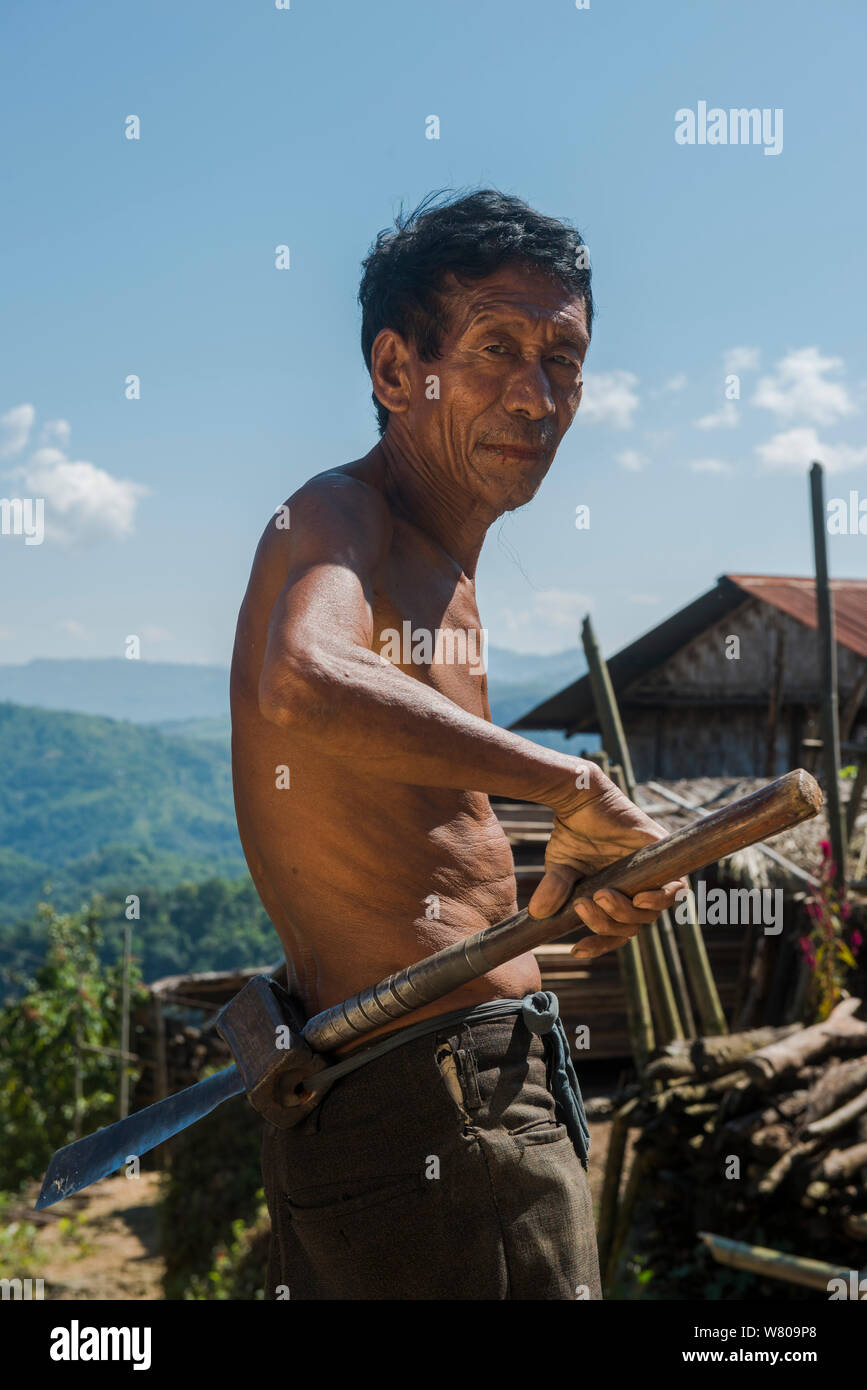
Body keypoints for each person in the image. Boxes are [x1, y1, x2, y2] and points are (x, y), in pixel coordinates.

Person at [230, 189, 686, 1300]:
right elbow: (308, 678)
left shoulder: (439, 568)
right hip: (440, 1104)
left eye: (563, 359)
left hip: (440, 1086)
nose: (538, 395)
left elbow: (416, 845)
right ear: (398, 371)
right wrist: (575, 780)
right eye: (495, 348)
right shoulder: (345, 516)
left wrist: (562, 891)